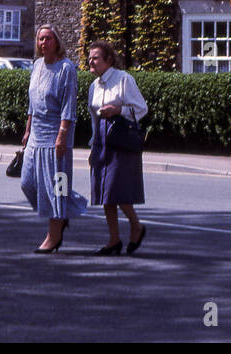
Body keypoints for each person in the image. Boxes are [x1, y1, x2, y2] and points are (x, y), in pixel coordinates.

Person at [20, 25, 87, 253]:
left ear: (57, 41)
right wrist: (27, 129)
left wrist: (62, 136)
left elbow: (69, 105)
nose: (43, 42)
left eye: (48, 38)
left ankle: (54, 234)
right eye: (40, 38)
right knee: (28, 183)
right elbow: (32, 101)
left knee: (58, 187)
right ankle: (62, 213)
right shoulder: (37, 65)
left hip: (56, 137)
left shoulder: (66, 68)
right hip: (36, 136)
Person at [86, 41, 148, 255]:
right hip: (102, 141)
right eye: (89, 57)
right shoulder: (95, 85)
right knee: (104, 193)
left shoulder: (124, 79)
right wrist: (93, 146)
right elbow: (94, 119)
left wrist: (118, 110)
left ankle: (136, 226)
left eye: (95, 57)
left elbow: (141, 108)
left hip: (120, 140)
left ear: (108, 60)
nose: (90, 61)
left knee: (116, 190)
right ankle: (114, 239)